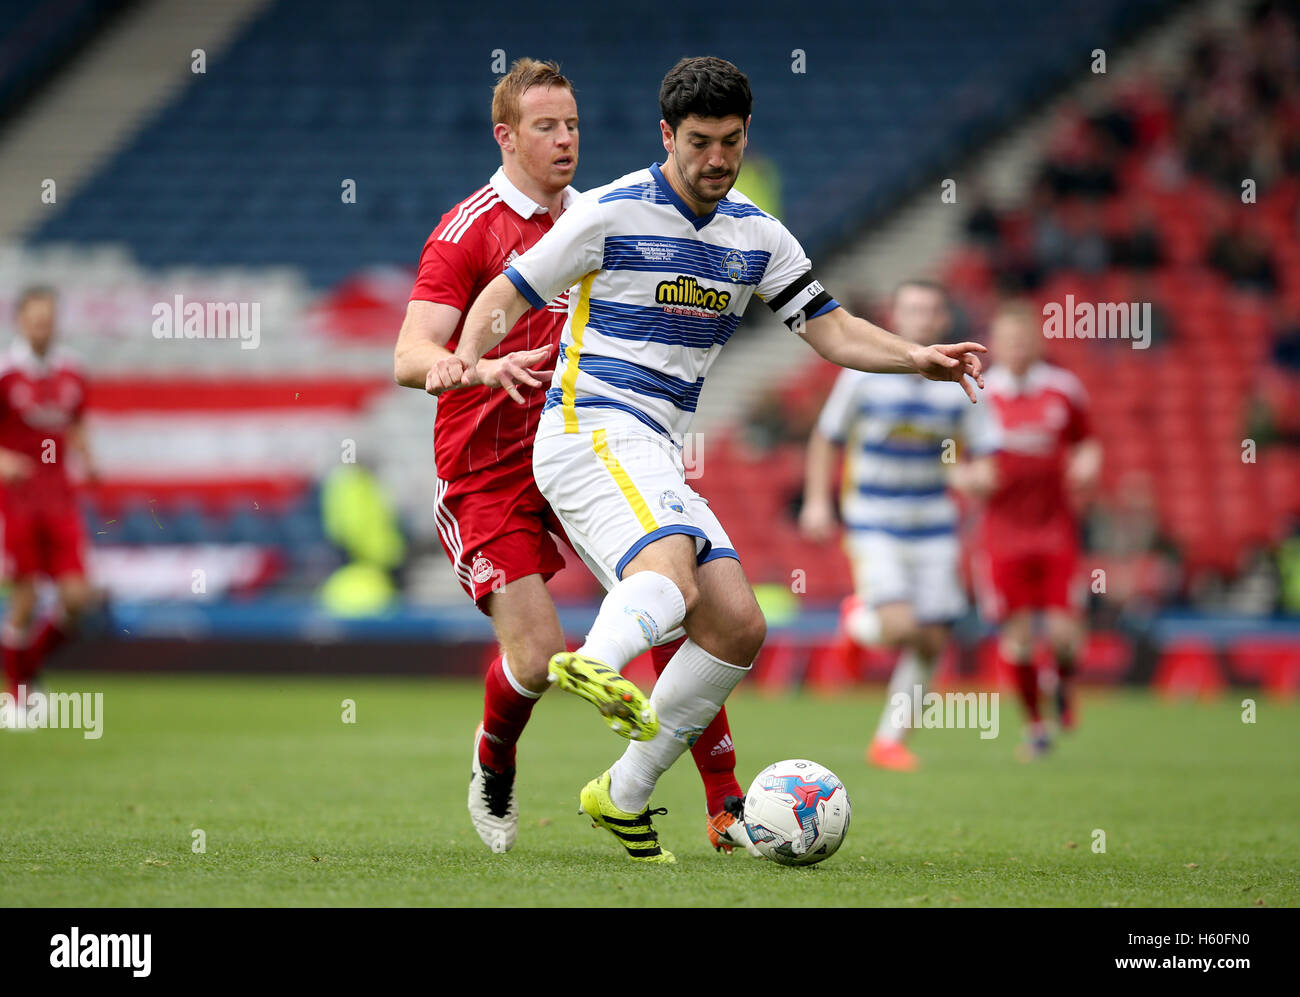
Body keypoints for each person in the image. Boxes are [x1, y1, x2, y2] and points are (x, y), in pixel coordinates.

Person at [429, 56, 987, 863]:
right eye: (698, 142)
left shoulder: (757, 235)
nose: (716, 159)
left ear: (745, 135)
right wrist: (476, 363)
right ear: (667, 135)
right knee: (672, 574)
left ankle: (621, 792)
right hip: (588, 428)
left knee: (736, 624)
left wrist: (917, 357)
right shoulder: (612, 212)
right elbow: (501, 297)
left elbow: (827, 326)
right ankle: (596, 661)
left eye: (730, 141)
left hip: (652, 445)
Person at [392, 58, 750, 856]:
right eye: (546, 127)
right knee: (536, 655)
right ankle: (494, 754)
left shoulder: (600, 215)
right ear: (506, 136)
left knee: (677, 592)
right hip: (487, 466)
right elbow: (409, 353)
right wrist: (468, 364)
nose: (565, 140)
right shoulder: (468, 229)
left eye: (574, 125)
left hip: (587, 442)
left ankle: (725, 804)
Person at [800, 279, 999, 772]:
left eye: (930, 311)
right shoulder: (863, 374)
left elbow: (986, 454)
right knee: (900, 627)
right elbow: (827, 438)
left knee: (932, 639)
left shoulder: (961, 382)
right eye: (911, 309)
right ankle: (855, 623)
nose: (921, 318)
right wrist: (817, 502)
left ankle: (889, 740)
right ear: (897, 315)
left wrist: (975, 475)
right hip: (875, 519)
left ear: (942, 320)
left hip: (934, 522)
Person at [976, 301, 1101, 758]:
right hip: (1002, 533)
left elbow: (1087, 442)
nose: (1017, 348)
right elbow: (951, 458)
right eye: (1008, 341)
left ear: (1038, 343)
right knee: (1020, 636)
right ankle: (1035, 726)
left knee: (1066, 636)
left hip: (1055, 529)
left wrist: (1087, 463)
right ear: (997, 346)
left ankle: (1063, 682)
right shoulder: (981, 393)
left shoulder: (1063, 389)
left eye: (1024, 340)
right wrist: (969, 476)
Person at [0, 286, 97, 729]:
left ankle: (25, 669)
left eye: (49, 318)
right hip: (17, 501)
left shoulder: (71, 371)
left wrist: (89, 459)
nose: (42, 325)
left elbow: (76, 421)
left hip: (60, 498)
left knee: (77, 598)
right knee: (26, 597)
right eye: (35, 318)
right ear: (20, 320)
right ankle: (16, 697)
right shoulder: (5, 373)